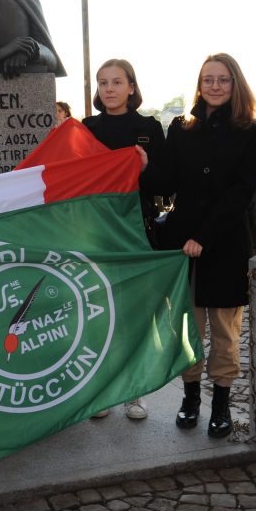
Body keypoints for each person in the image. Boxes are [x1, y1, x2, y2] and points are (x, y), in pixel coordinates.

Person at [146, 53, 256, 438]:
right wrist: (140, 160)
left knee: (226, 334)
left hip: (226, 243)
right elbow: (165, 181)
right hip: (183, 245)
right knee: (188, 330)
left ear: (236, 84)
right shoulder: (181, 127)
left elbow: (241, 193)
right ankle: (190, 398)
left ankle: (221, 406)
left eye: (223, 79)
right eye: (207, 79)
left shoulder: (251, 130)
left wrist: (205, 236)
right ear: (198, 84)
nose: (214, 86)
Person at [81, 59, 165, 421]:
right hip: (96, 229)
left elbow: (165, 183)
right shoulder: (85, 128)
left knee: (133, 311)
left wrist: (145, 169)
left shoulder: (149, 128)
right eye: (103, 83)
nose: (109, 88)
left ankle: (136, 390)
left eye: (117, 82)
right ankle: (102, 393)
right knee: (98, 311)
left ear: (131, 87)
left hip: (136, 227)